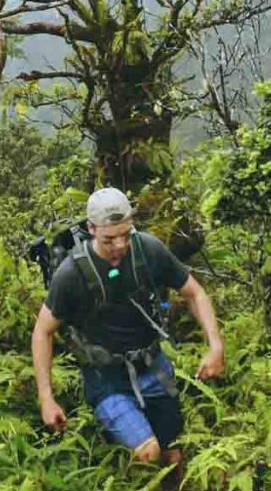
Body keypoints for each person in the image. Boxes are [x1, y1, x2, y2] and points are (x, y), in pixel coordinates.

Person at [32, 187, 227, 466]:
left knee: (173, 451)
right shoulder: (72, 274)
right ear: (91, 229)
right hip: (106, 377)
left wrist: (215, 346)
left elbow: (194, 292)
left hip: (153, 364)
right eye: (109, 239)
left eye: (125, 234)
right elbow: (43, 331)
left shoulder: (148, 250)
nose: (120, 245)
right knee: (148, 452)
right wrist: (46, 398)